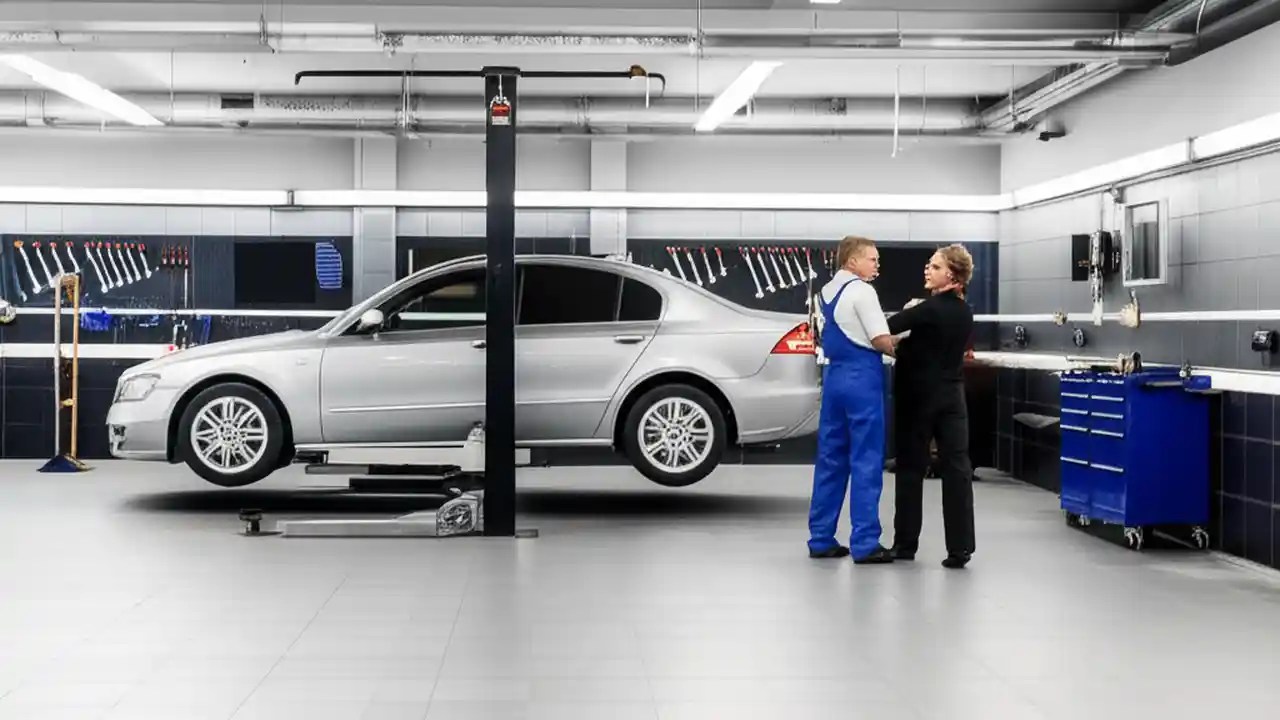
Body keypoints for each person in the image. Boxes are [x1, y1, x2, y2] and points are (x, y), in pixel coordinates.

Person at [808, 236, 897, 565]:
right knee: (866, 459)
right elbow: (881, 340)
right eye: (872, 259)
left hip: (834, 380)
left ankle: (820, 537)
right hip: (862, 380)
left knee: (831, 459)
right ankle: (864, 542)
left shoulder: (825, 292)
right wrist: (912, 343)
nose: (876, 265)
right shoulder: (862, 291)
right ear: (853, 261)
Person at [886, 244, 976, 569]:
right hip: (952, 397)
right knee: (957, 469)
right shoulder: (964, 312)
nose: (927, 269)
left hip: (918, 398)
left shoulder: (928, 310)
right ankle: (960, 548)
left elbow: (890, 327)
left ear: (951, 275)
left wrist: (903, 337)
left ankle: (905, 544)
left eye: (934, 266)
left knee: (910, 468)